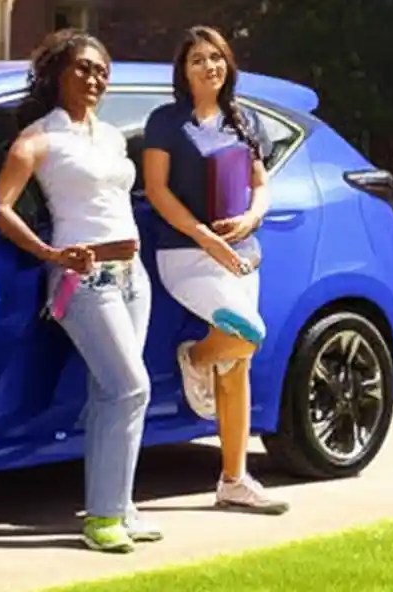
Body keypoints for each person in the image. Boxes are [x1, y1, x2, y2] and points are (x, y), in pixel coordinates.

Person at [0, 29, 158, 553]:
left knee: (114, 394)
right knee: (131, 387)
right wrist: (50, 255)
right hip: (81, 279)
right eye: (83, 68)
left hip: (133, 275)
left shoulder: (110, 138)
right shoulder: (38, 139)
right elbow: (1, 207)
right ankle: (103, 517)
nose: (94, 79)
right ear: (59, 73)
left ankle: (119, 508)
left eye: (102, 71)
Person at [142, 25, 289, 514]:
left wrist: (251, 216)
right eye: (198, 60)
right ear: (183, 71)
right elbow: (158, 192)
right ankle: (195, 359)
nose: (210, 66)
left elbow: (260, 184)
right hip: (185, 256)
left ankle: (233, 479)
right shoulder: (166, 122)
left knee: (238, 363)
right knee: (248, 332)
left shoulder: (244, 121)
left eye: (217, 57)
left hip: (243, 253)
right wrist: (205, 238)